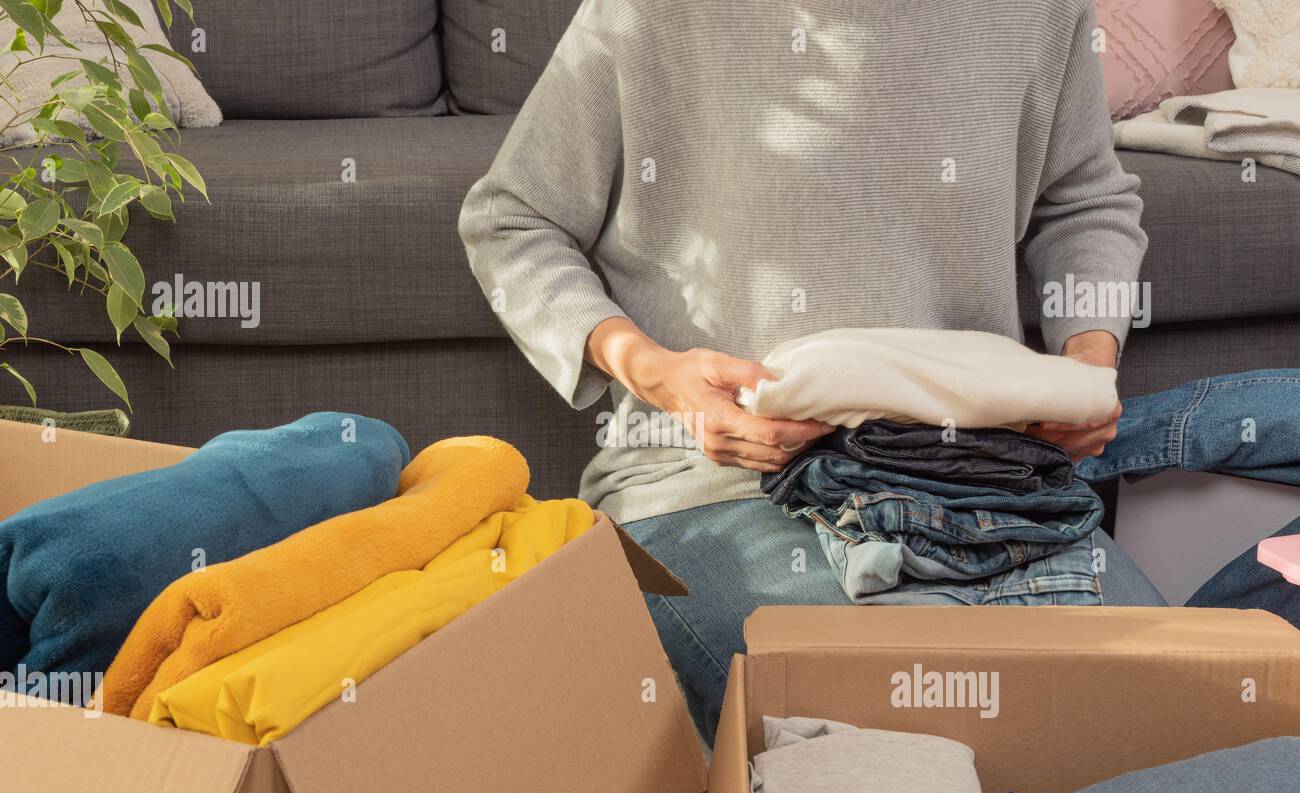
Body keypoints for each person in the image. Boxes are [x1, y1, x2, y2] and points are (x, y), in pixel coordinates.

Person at [460, 0, 1166, 743]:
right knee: (901, 748)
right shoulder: (650, 13)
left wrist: (1087, 361)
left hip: (983, 481)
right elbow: (513, 220)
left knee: (1165, 719)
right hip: (718, 484)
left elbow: (1086, 201)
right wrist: (658, 373)